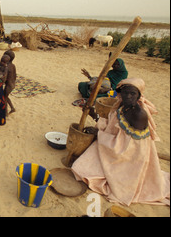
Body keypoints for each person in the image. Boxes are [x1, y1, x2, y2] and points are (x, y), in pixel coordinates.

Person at [72, 78, 170, 206]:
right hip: (112, 147)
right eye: (125, 93)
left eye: (133, 94)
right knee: (81, 165)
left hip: (129, 160)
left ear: (139, 95)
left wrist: (99, 134)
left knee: (81, 169)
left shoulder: (139, 115)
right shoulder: (122, 105)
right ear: (120, 93)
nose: (128, 96)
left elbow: (127, 148)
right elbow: (113, 128)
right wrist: (94, 115)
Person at [3, 50, 17, 115]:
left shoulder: (7, 67)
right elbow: (15, 75)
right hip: (13, 84)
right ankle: (12, 108)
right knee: (6, 96)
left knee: (4, 98)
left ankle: (5, 112)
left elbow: (5, 77)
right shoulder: (13, 65)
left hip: (8, 85)